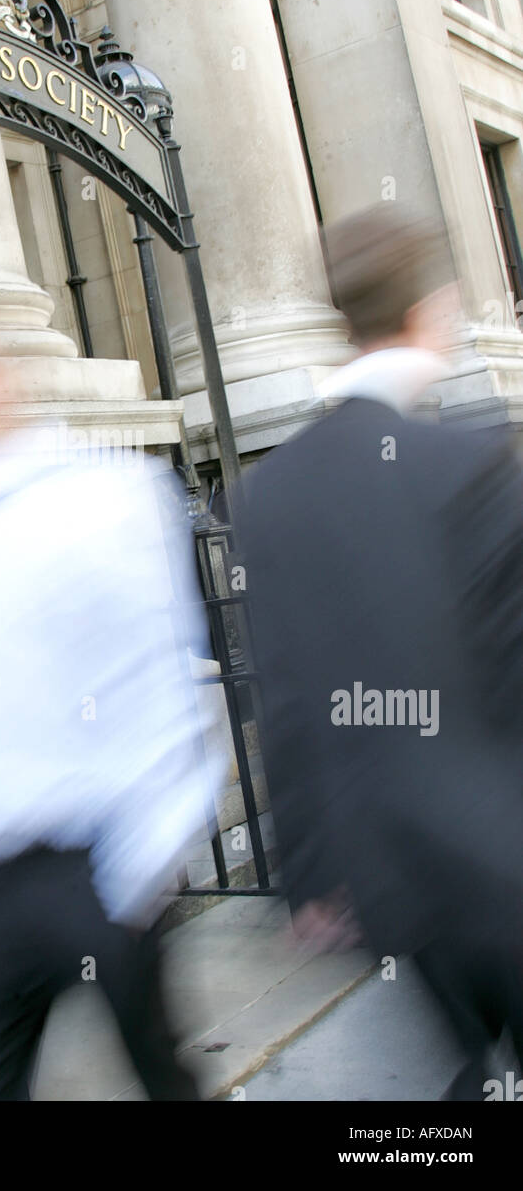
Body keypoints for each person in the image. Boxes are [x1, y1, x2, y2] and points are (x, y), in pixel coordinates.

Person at [0, 326, 225, 1101]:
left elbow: (155, 675)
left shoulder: (97, 498)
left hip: (90, 859)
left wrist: (146, 855)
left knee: (163, 1076)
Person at [236, 206, 523, 1100]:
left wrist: (312, 875)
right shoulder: (476, 462)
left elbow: (282, 702)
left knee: (471, 1069)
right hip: (505, 854)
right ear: (428, 312)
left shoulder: (267, 494)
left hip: (392, 878)